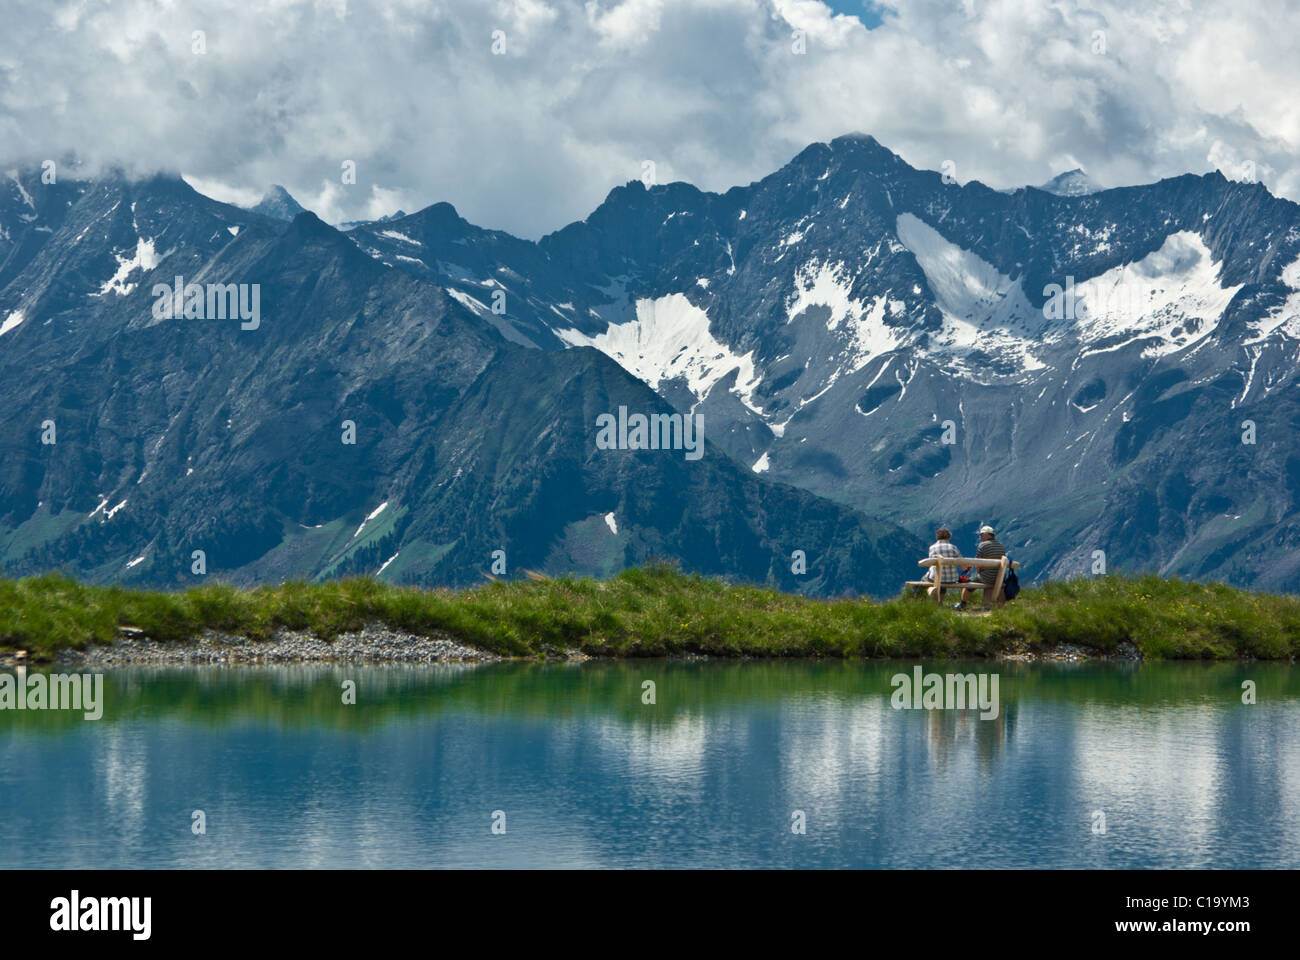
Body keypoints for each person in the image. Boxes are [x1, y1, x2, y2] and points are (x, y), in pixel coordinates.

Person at [956, 525, 1006, 611]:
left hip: (987, 576)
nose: (981, 536)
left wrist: (979, 574)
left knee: (968, 583)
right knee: (985, 580)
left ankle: (962, 604)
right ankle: (988, 606)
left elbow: (978, 563)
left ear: (987, 534)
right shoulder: (1001, 545)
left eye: (982, 534)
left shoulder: (983, 545)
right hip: (999, 577)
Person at [924, 527, 963, 601]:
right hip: (952, 579)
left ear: (937, 537)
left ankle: (931, 591)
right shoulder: (954, 548)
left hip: (936, 578)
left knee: (924, 579)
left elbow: (931, 564)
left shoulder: (932, 548)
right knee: (943, 580)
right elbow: (962, 566)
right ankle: (940, 601)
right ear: (949, 537)